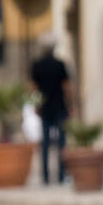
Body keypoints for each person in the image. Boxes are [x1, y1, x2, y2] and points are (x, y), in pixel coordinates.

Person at [30, 33, 74, 184]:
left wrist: (36, 105)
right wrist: (70, 105)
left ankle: (46, 176)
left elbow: (33, 88)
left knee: (46, 142)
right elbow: (66, 87)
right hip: (59, 106)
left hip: (44, 107)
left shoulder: (36, 65)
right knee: (61, 142)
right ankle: (61, 175)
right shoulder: (60, 64)